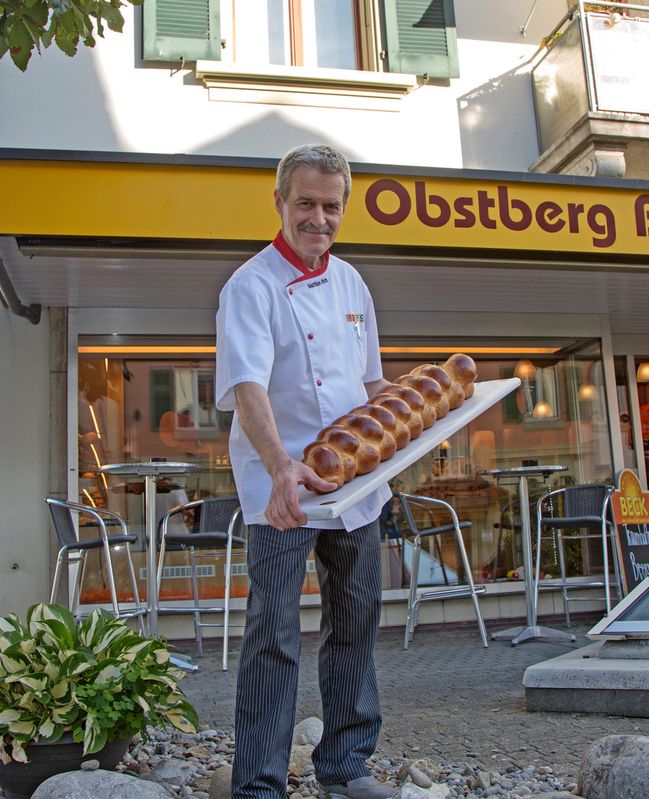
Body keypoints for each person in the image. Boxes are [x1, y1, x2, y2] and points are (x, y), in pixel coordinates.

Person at [214, 144, 397, 799]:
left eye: (331, 205)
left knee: (354, 624)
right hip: (281, 489)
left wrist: (411, 431)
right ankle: (260, 783)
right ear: (280, 203)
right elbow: (246, 386)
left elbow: (370, 380)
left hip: (356, 489)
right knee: (274, 637)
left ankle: (345, 764)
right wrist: (280, 467)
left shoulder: (351, 283)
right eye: (306, 203)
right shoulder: (250, 285)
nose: (318, 217)